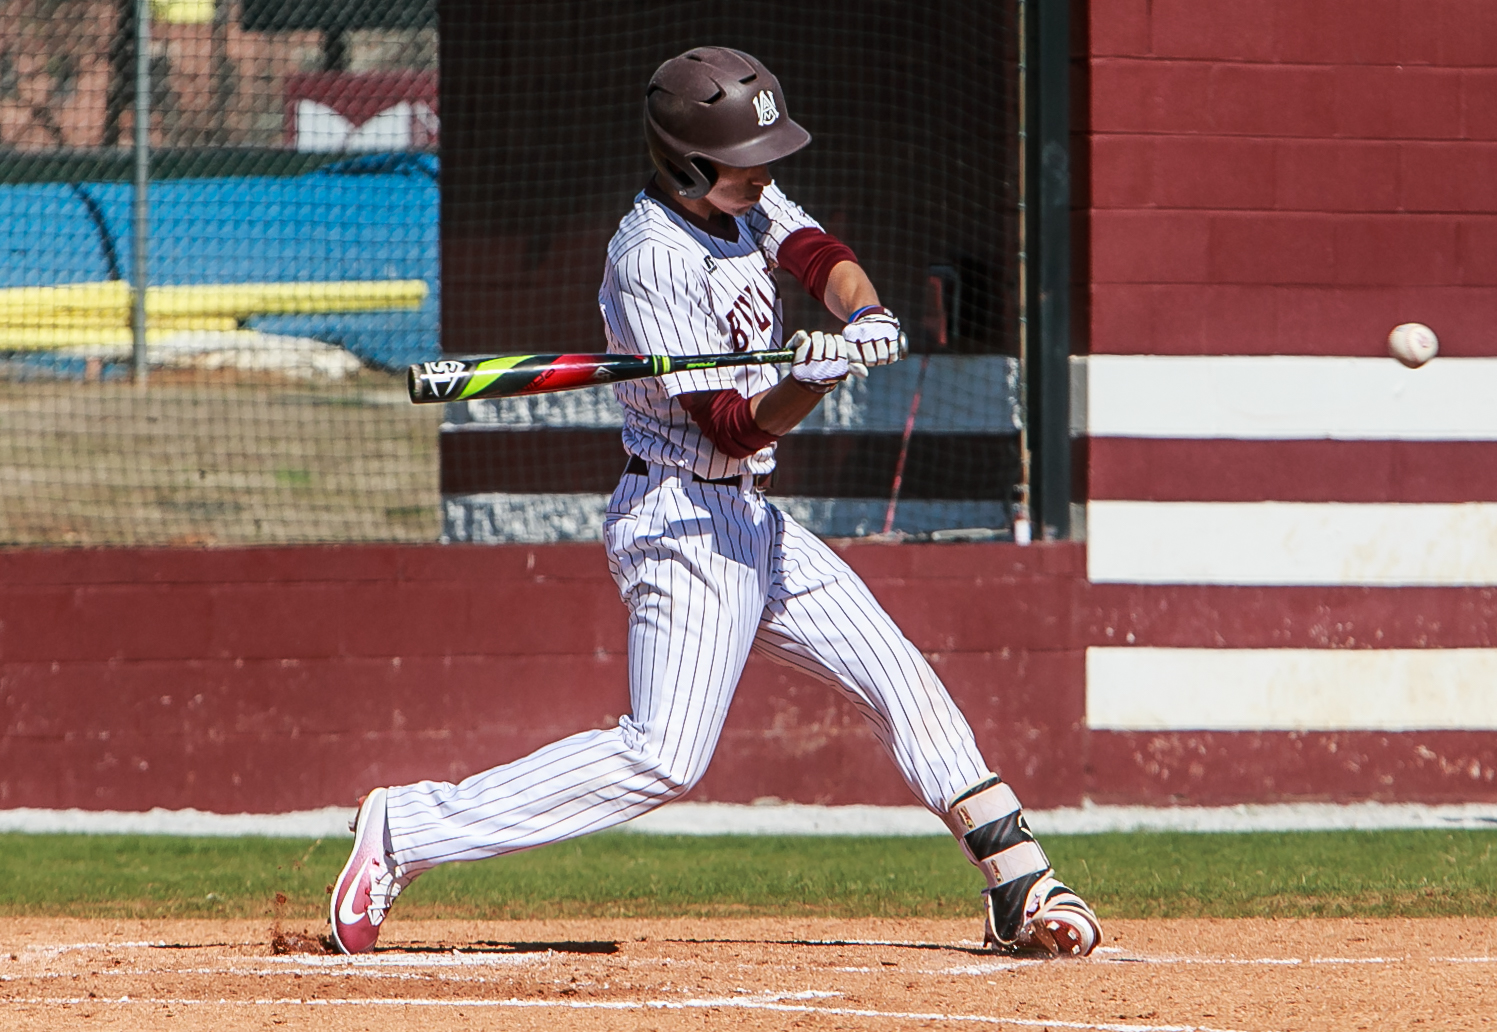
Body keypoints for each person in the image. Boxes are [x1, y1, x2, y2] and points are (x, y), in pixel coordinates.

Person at [329, 46, 1101, 959]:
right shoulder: (650, 257)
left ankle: (1018, 880)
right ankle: (408, 830)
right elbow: (733, 425)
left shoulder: (745, 201)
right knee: (663, 756)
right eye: (747, 156)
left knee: (894, 672)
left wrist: (865, 317)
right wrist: (808, 386)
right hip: (682, 521)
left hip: (753, 519)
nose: (765, 170)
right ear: (689, 162)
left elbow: (818, 254)